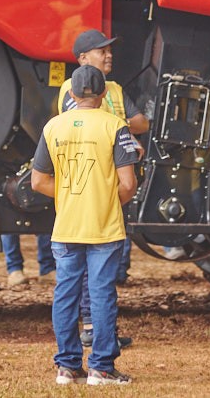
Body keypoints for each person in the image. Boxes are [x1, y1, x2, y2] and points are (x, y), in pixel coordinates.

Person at [31, 63, 140, 385]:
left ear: (73, 94)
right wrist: (104, 199)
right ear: (104, 93)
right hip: (103, 226)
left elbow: (38, 181)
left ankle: (67, 366)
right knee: (101, 293)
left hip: (66, 226)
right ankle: (101, 367)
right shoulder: (115, 126)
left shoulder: (53, 127)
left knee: (66, 293)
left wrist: (70, 196)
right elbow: (128, 183)